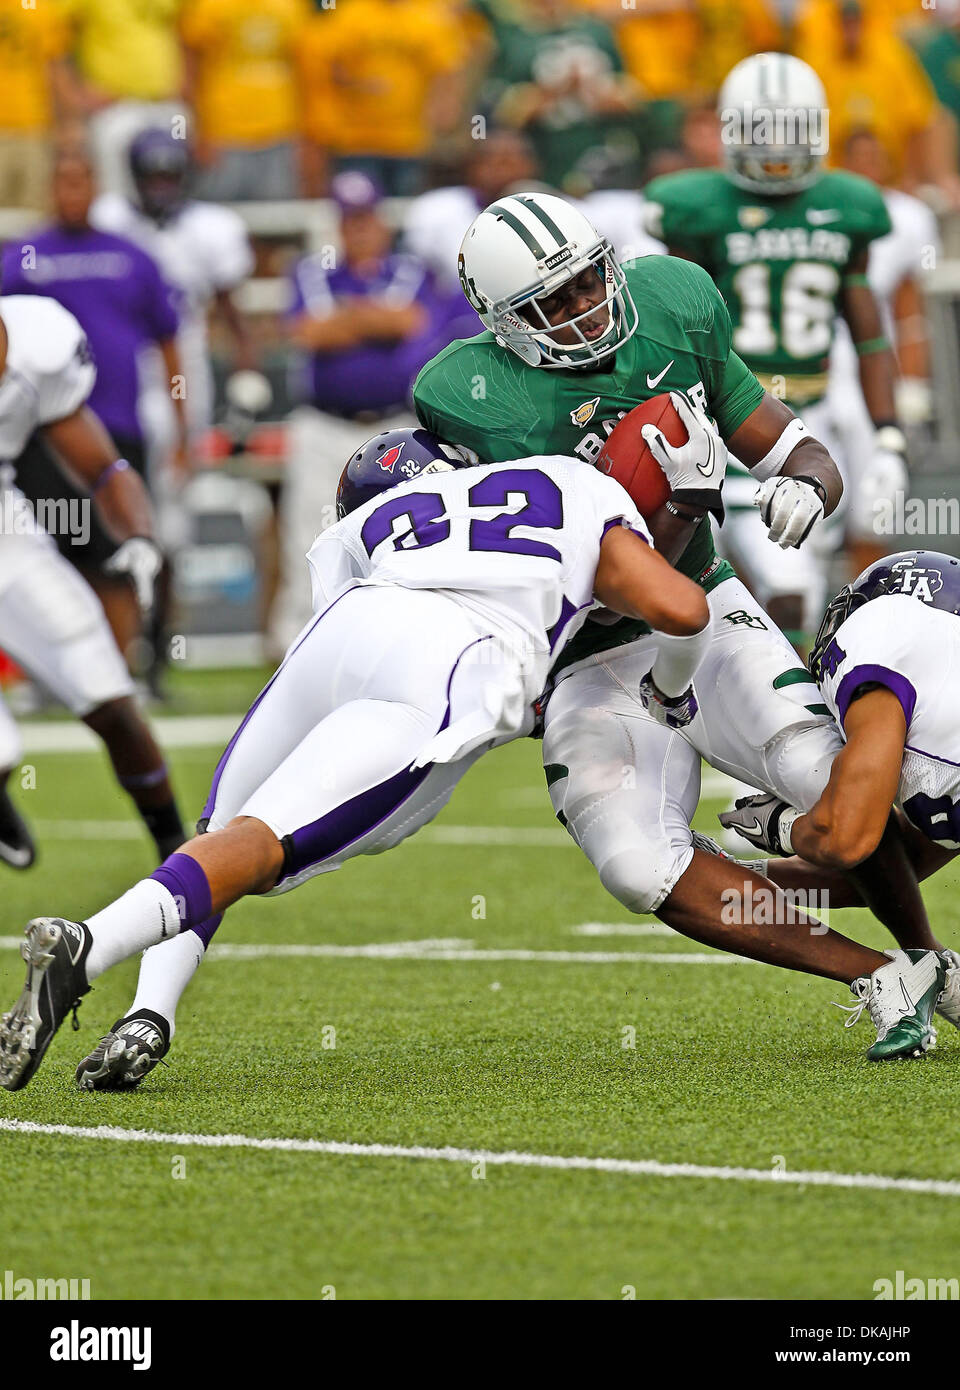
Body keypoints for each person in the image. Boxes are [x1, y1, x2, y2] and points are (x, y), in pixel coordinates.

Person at [4, 427, 715, 1092]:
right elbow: (682, 609)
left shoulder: (368, 523)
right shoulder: (571, 484)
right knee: (261, 848)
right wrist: (669, 693)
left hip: (343, 631)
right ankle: (88, 946)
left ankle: (149, 1014)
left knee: (217, 836)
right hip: (444, 658)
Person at [413, 188, 941, 1012]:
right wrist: (678, 505)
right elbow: (585, 586)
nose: (585, 309)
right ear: (503, 322)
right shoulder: (469, 399)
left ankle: (928, 957)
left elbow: (787, 438)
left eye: (590, 282)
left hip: (708, 606)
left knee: (839, 790)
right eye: (553, 302)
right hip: (591, 655)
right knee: (635, 867)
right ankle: (873, 975)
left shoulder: (671, 303)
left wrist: (807, 483)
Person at [643, 52, 905, 649]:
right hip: (740, 412)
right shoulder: (695, 207)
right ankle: (773, 704)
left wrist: (889, 435)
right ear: (731, 132)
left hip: (821, 412)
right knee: (785, 582)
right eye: (763, 133)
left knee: (828, 560)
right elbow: (683, 317)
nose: (778, 150)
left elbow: (868, 333)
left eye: (792, 132)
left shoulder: (850, 205)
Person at [720, 548, 960, 1056]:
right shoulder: (942, 687)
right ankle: (933, 965)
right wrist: (734, 882)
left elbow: (848, 841)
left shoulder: (881, 638)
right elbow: (900, 866)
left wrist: (783, 825)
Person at [0, 292, 186, 869]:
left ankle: (178, 853)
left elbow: (103, 465)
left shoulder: (40, 346)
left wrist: (135, 535)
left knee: (107, 691)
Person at [272, 169, 474, 652]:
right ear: (337, 227)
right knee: (308, 529)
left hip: (394, 425)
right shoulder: (311, 270)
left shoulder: (411, 269)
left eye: (366, 219)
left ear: (382, 222)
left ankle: (403, 634)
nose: (359, 229)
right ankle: (302, 642)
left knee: (408, 527)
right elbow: (308, 333)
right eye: (349, 220)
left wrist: (349, 317)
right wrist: (374, 320)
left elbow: (415, 321)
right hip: (324, 422)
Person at [1, 145, 184, 669]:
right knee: (53, 550)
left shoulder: (133, 256)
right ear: (50, 188)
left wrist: (181, 422)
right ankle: (56, 671)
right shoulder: (23, 256)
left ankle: (121, 666)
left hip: (117, 423)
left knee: (121, 552)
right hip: (44, 432)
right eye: (63, 181)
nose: (71, 192)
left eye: (81, 181)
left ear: (97, 187)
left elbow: (169, 341)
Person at [91, 128, 255, 470]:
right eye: (153, 177)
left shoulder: (211, 227)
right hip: (124, 358)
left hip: (185, 360)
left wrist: (245, 373)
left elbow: (231, 311)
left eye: (169, 176)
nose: (161, 187)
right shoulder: (108, 220)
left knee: (181, 470)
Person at [827, 128, 940, 576]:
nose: (867, 167)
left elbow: (910, 311)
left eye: (876, 157)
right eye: (858, 157)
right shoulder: (815, 212)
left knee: (877, 501)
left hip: (873, 369)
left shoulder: (908, 217)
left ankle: (859, 605)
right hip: (812, 366)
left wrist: (912, 383)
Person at [180, 0, 310, 202]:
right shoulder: (210, 6)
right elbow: (189, 69)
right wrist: (199, 132)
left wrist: (305, 137)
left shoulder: (292, 5)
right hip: (224, 133)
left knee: (277, 219)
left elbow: (304, 70)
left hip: (281, 131)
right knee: (219, 216)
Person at [402, 129, 539, 293]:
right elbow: (418, 278)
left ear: (531, 167)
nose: (500, 172)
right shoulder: (436, 209)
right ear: (471, 167)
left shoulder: (561, 208)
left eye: (508, 162)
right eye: (490, 162)